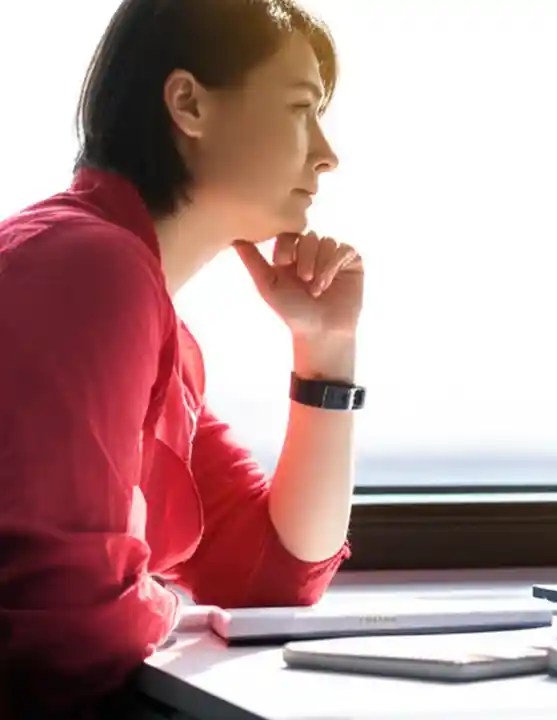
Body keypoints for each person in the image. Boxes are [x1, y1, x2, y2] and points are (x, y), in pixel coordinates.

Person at [0, 1, 364, 716]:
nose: (327, 153)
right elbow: (65, 625)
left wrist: (328, 348)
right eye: (301, 108)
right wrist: (164, 604)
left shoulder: (135, 300)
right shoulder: (87, 271)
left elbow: (272, 577)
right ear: (189, 105)